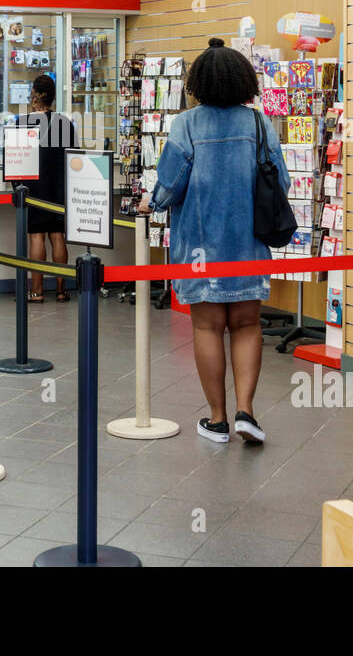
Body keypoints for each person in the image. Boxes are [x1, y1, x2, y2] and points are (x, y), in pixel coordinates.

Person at [139, 38, 289, 445]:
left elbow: (170, 186)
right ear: (244, 80)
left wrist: (150, 203)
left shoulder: (186, 125)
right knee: (246, 324)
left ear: (197, 82)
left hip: (199, 246)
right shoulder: (259, 124)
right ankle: (246, 412)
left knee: (207, 327)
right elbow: (282, 181)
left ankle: (218, 419)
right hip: (247, 243)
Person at [14, 74, 76, 303]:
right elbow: (74, 159)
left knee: (36, 237)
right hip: (59, 187)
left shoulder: (23, 123)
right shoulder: (65, 123)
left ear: (34, 95)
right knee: (58, 236)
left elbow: (15, 160)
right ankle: (61, 290)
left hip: (34, 187)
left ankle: (37, 291)